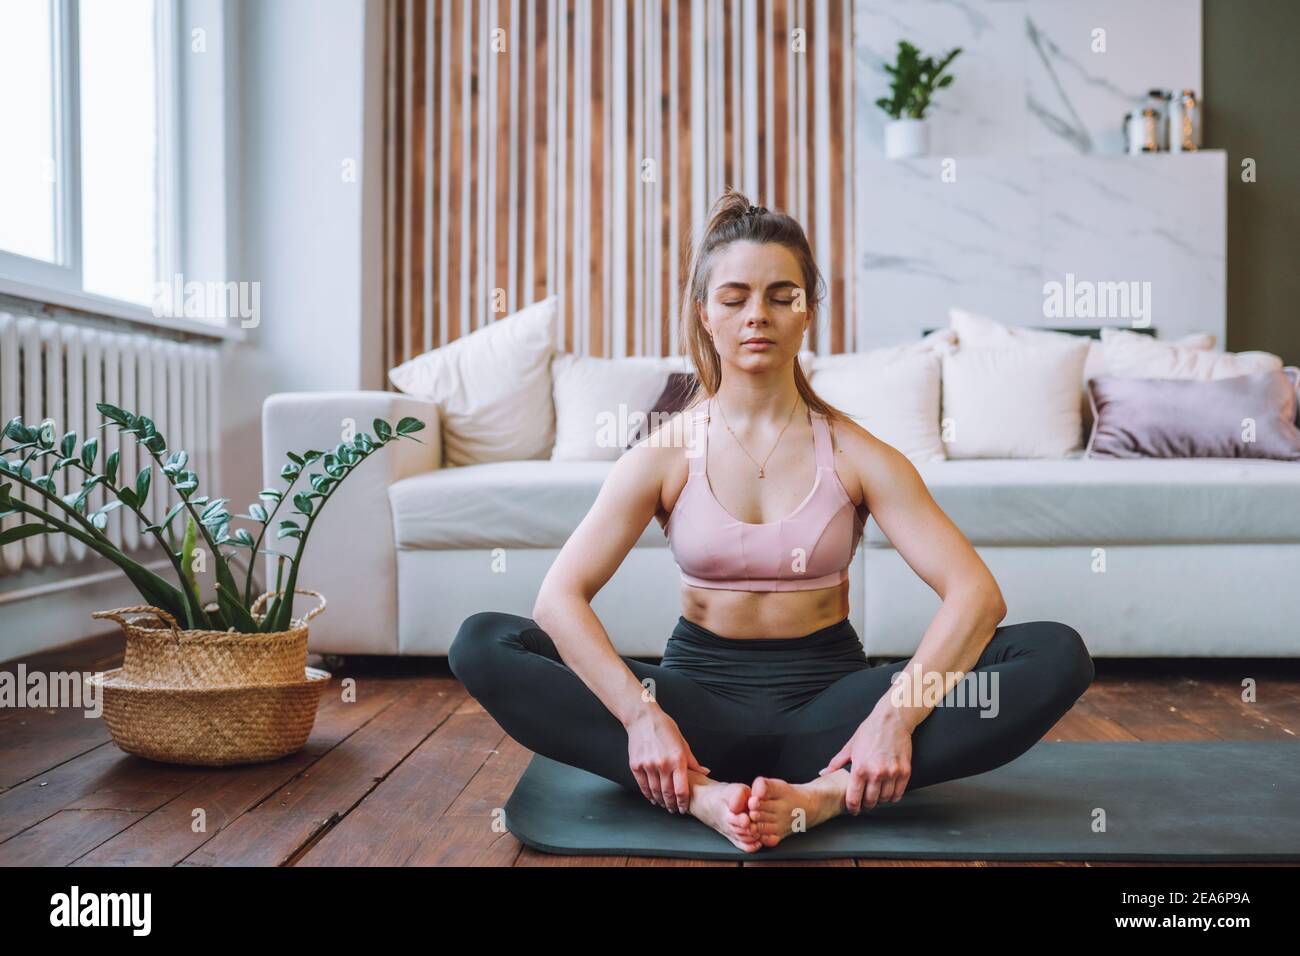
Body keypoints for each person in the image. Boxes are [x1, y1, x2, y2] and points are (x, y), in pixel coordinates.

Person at [449, 187, 1094, 853]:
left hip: (832, 711)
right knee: (482, 641)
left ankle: (827, 795)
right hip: (693, 713)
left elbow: (976, 595)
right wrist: (643, 718)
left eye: (781, 295)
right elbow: (558, 601)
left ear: (808, 311)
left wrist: (893, 718)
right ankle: (699, 795)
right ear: (705, 314)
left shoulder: (858, 453)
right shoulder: (664, 453)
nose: (758, 315)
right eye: (734, 298)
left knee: (1054, 654)